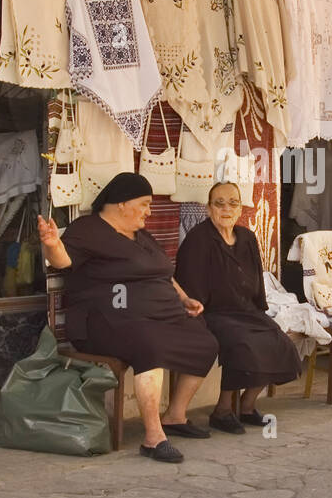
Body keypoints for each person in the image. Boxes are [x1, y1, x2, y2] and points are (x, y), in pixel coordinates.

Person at [38, 173, 218, 464]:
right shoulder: (88, 230)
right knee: (150, 345)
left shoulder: (141, 234)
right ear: (121, 203)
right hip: (104, 321)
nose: (149, 211)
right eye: (144, 204)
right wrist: (51, 243)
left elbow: (163, 272)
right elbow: (63, 260)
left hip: (156, 317)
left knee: (205, 340)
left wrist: (184, 298)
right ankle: (153, 437)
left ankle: (175, 415)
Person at [174, 182, 302, 434]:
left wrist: (260, 310)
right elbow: (189, 286)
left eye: (233, 203)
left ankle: (247, 406)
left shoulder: (246, 237)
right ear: (209, 208)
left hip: (246, 311)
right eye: (219, 203)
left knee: (278, 341)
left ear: (240, 207)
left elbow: (255, 276)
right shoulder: (198, 239)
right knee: (243, 344)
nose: (226, 208)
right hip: (212, 313)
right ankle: (222, 411)